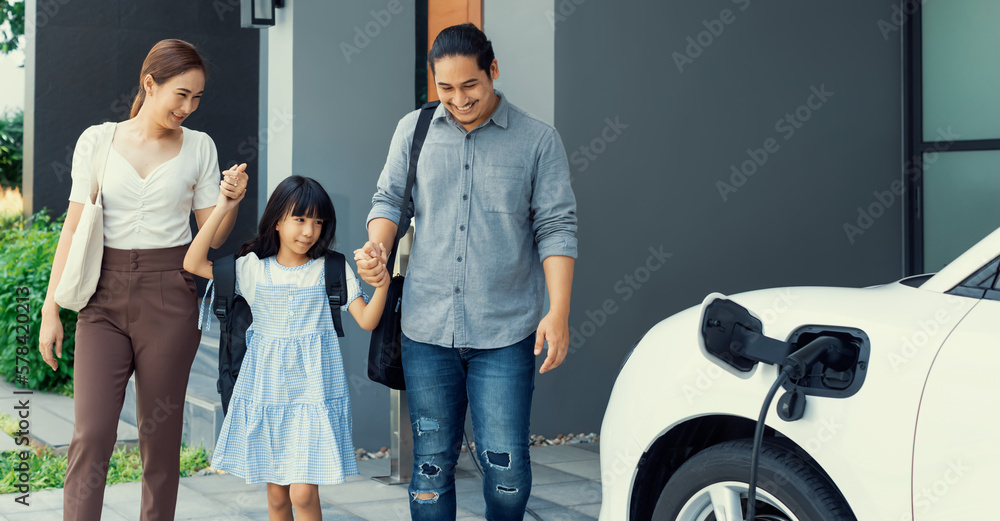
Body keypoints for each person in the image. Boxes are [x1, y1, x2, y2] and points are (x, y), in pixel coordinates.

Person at [356, 23, 578, 521]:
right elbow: (391, 200)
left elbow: (557, 227)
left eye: (470, 85)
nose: (458, 99)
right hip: (426, 329)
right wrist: (377, 246)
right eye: (445, 88)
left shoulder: (538, 140)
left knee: (505, 470)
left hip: (505, 332)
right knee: (431, 470)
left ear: (493, 71)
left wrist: (558, 310)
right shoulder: (412, 129)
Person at [36, 39, 249, 521]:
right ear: (149, 83)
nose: (187, 108)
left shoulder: (199, 146)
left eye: (197, 98)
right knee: (91, 434)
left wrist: (229, 203)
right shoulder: (98, 140)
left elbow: (209, 234)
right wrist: (51, 309)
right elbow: (73, 228)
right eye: (180, 94)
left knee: (161, 436)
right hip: (102, 295)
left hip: (170, 294)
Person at [184, 175, 388, 521]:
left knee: (303, 494)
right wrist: (223, 206)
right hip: (267, 392)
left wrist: (381, 283)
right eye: (300, 219)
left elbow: (367, 320)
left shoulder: (332, 270)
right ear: (277, 220)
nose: (309, 231)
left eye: (318, 222)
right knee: (278, 498)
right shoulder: (252, 269)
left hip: (314, 394)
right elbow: (193, 262)